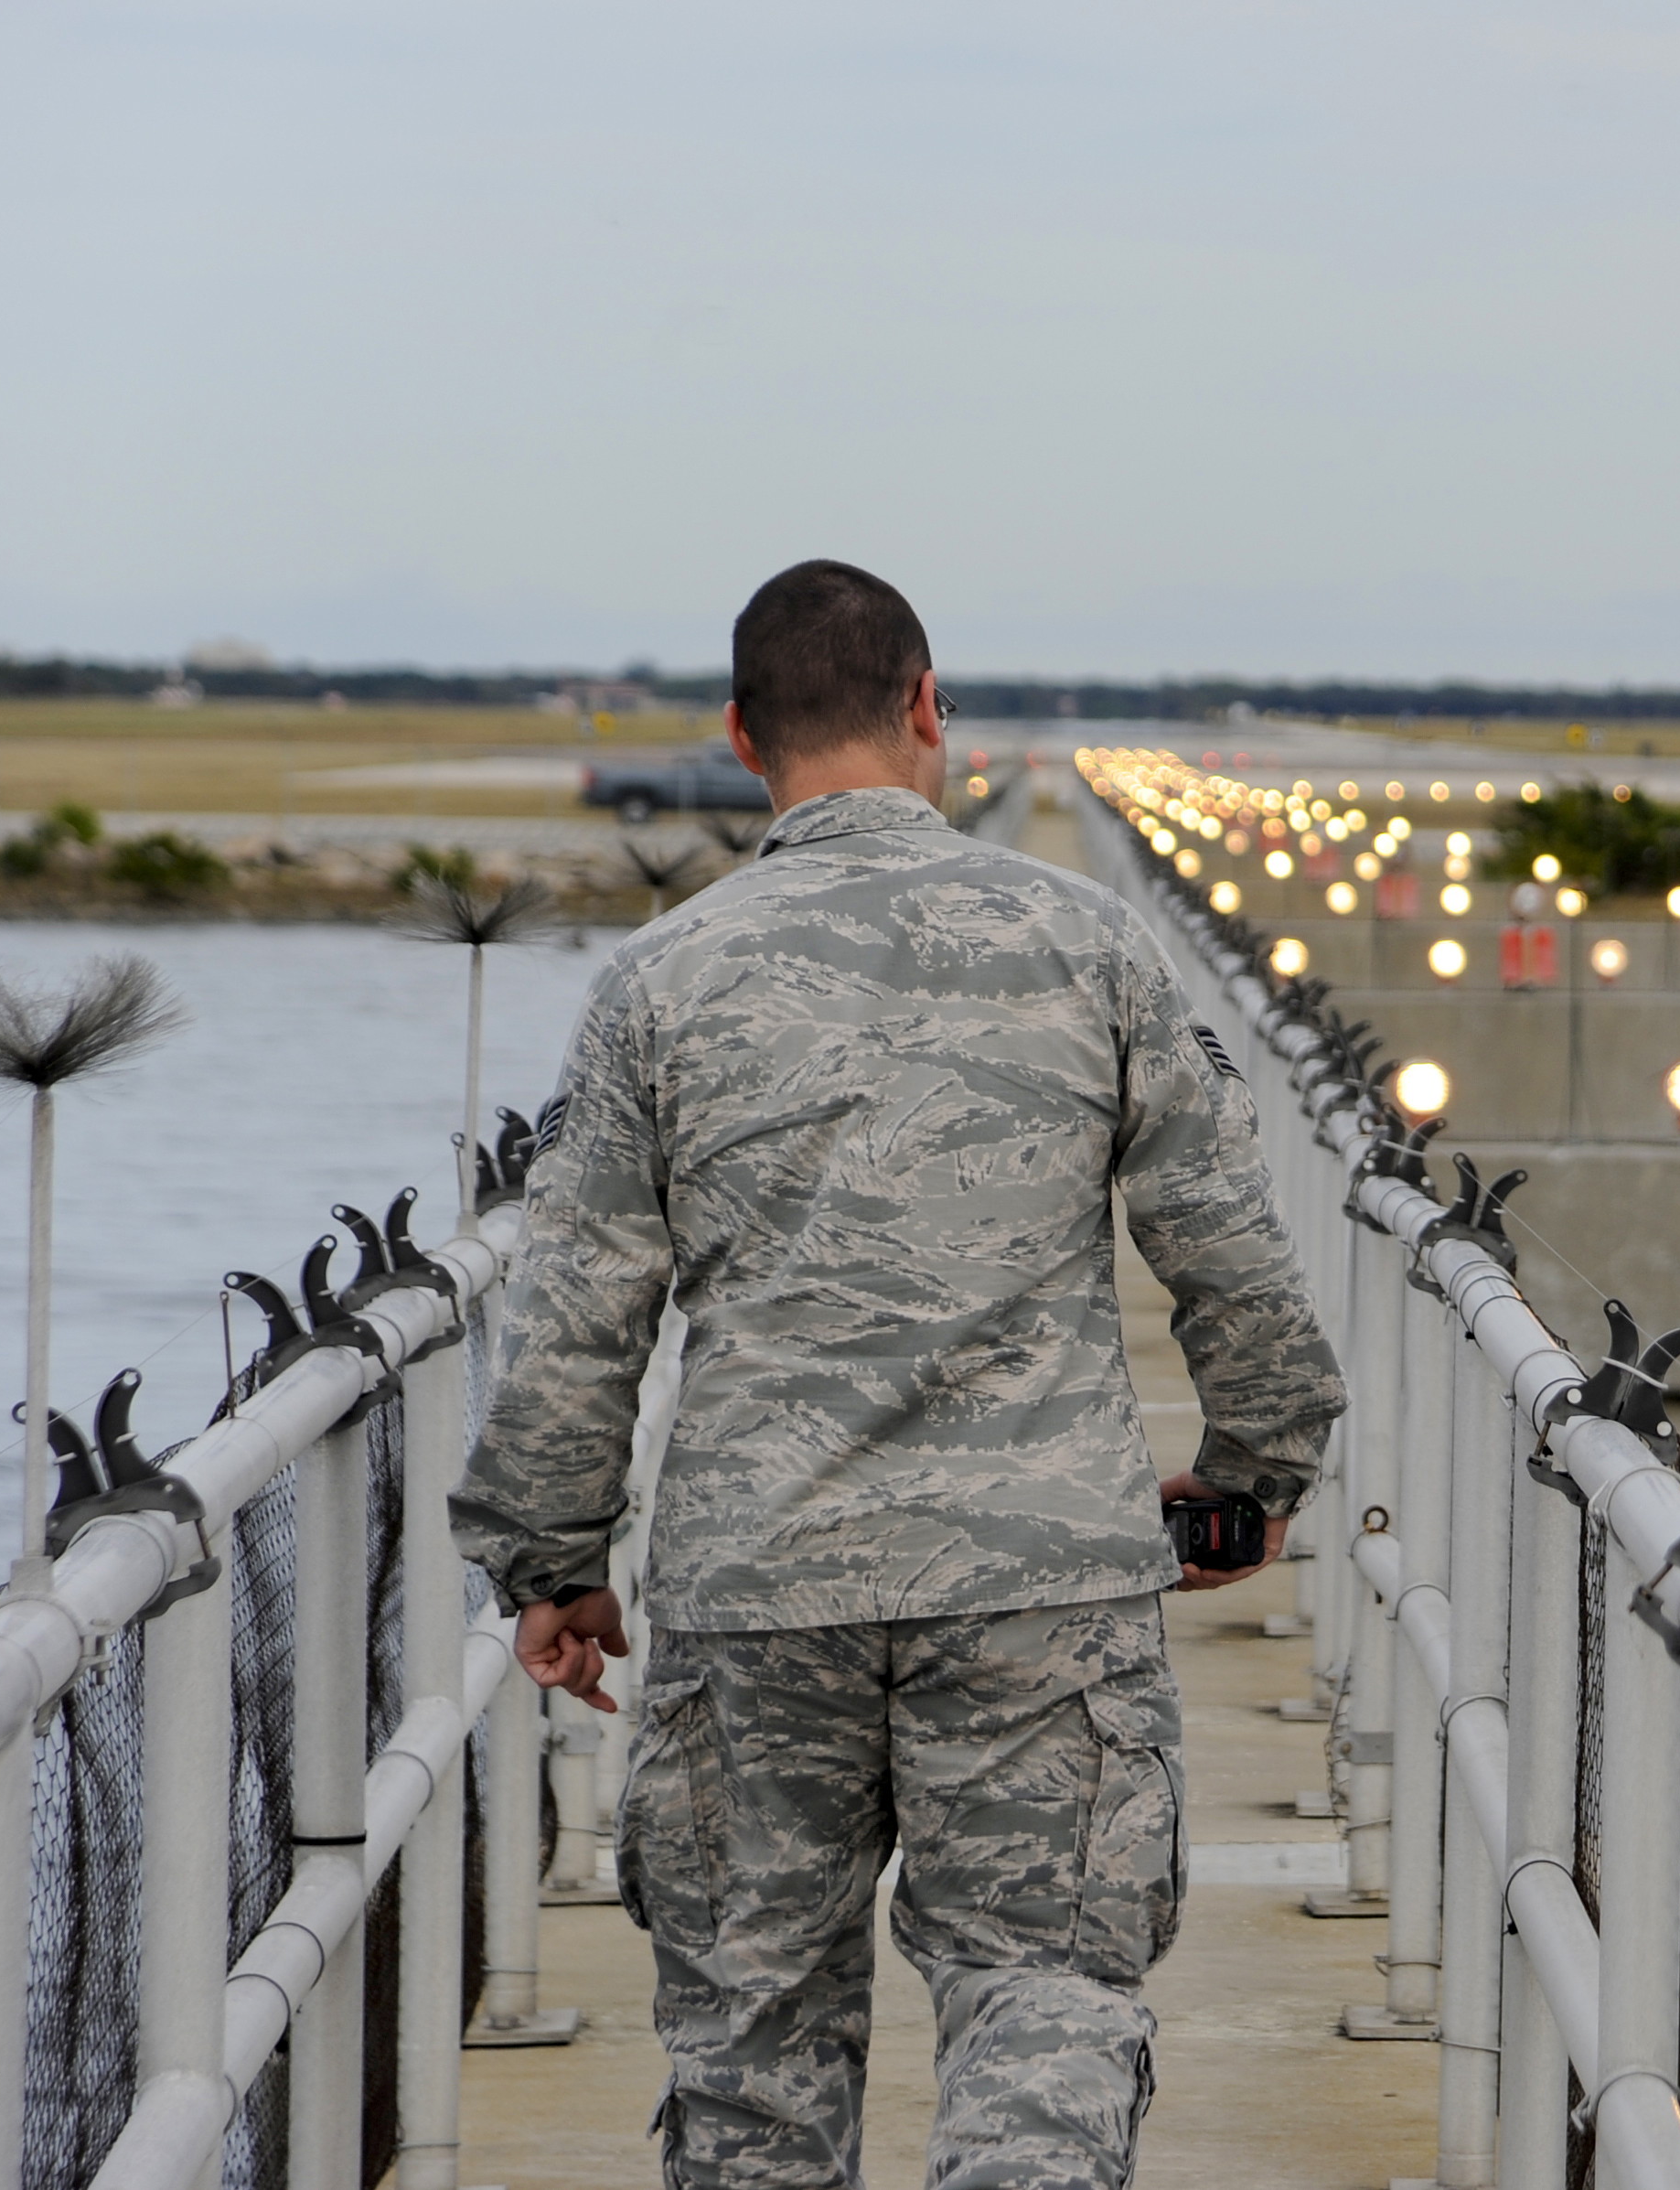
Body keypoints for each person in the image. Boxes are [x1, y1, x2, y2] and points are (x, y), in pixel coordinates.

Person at [451, 558, 1343, 2190]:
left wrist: (553, 1561)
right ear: (931, 708)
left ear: (739, 736)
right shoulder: (1094, 947)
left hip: (753, 1591)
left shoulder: (657, 982)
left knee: (750, 2054)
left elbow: (579, 1317)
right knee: (1046, 2001)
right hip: (1039, 1589)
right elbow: (1230, 1255)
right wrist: (1252, 1475)